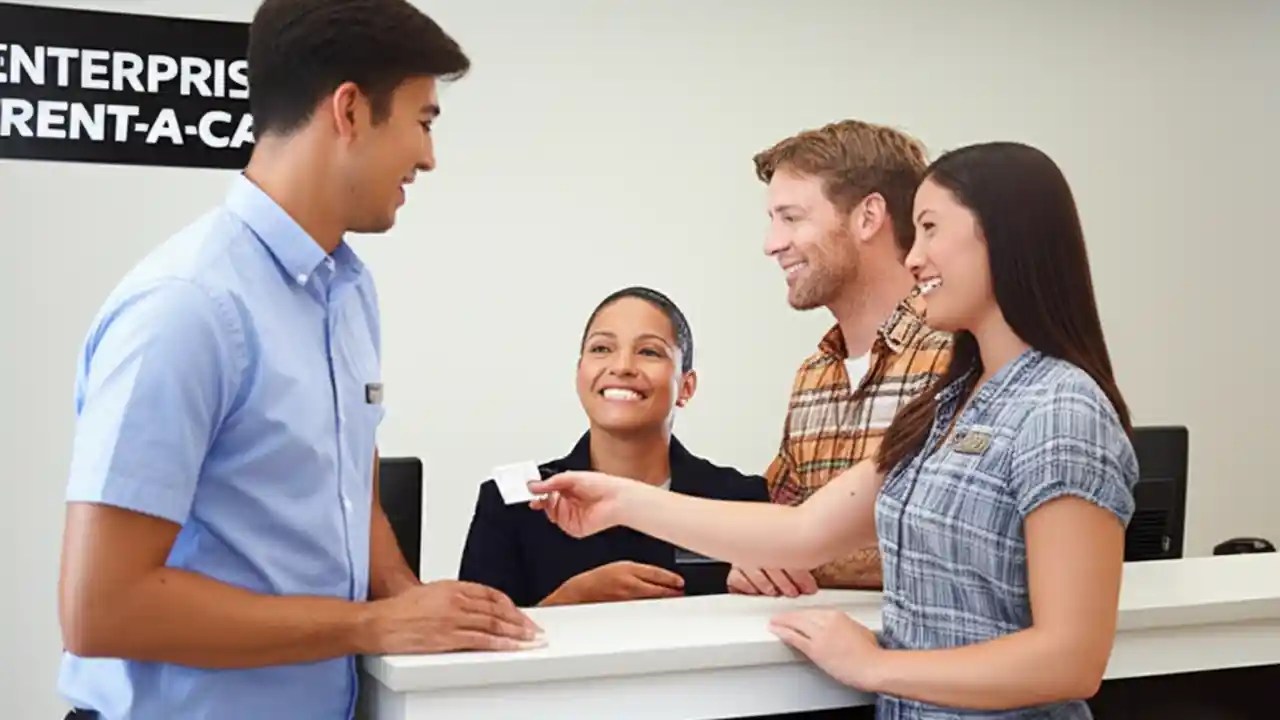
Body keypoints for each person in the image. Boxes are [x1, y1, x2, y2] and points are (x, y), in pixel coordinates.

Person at [529, 142, 1139, 719]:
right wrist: (621, 501)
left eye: (930, 228)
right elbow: (803, 530)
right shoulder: (949, 405)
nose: (915, 255)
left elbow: (1070, 661)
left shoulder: (1062, 409)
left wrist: (876, 665)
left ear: (1003, 239)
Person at [56, 2, 540, 718]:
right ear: (349, 110)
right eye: (424, 121)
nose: (429, 156)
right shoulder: (185, 307)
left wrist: (407, 598)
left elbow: (352, 486)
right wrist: (372, 625)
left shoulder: (348, 290)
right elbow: (102, 607)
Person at [733, 120, 952, 597]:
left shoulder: (961, 358)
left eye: (791, 218)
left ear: (868, 217)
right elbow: (777, 525)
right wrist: (752, 559)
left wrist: (800, 556)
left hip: (929, 665)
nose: (771, 243)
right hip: (818, 659)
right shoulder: (813, 378)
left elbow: (958, 546)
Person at [458, 286, 770, 607]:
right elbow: (477, 644)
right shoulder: (512, 502)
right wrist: (568, 603)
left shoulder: (740, 500)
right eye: (602, 348)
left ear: (686, 387)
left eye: (649, 352)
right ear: (579, 374)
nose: (622, 366)